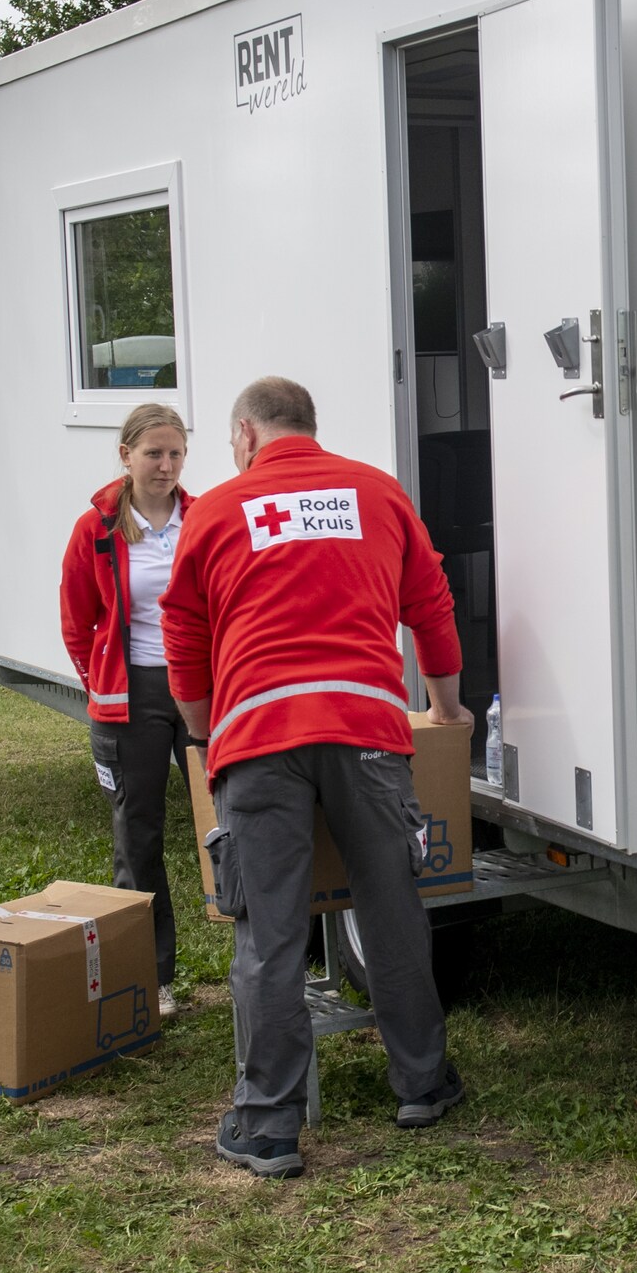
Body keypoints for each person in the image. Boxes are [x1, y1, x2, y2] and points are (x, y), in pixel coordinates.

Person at [163, 376, 473, 1178]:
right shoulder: (377, 491)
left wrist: (202, 733)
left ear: (244, 433)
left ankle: (268, 1123)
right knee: (393, 908)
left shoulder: (216, 510)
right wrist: (446, 710)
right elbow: (430, 603)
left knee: (271, 930)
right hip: (368, 728)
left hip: (258, 736)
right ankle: (423, 1083)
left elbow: (183, 633)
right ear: (310, 427)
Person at [59, 403, 200, 1018]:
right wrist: (102, 687)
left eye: (175, 454)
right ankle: (152, 975)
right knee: (138, 835)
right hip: (133, 695)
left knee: (235, 816)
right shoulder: (96, 528)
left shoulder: (202, 519)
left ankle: (267, 960)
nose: (165, 466)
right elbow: (76, 621)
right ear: (126, 456)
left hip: (201, 689)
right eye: (153, 453)